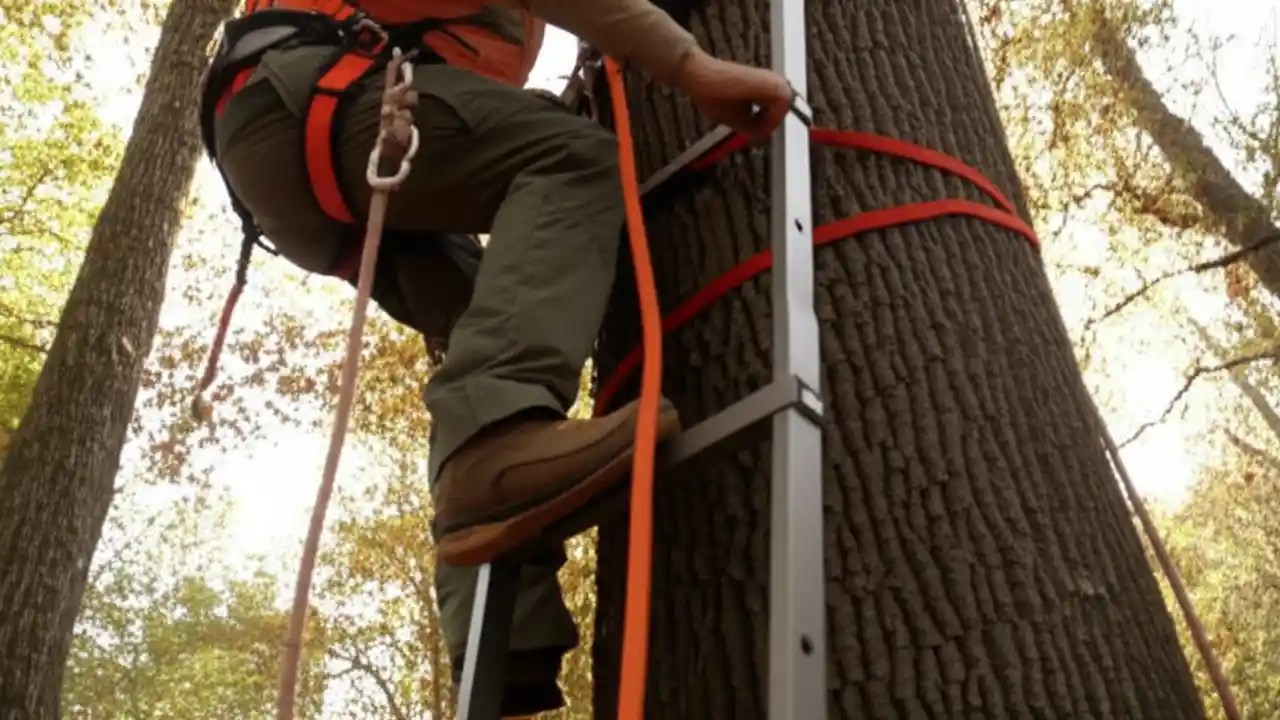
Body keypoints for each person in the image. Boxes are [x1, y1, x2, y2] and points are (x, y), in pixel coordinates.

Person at [210, 0, 792, 714]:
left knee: (485, 324)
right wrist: (689, 64)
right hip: (316, 99)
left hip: (292, 156)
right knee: (574, 159)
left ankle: (504, 633)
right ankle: (497, 447)